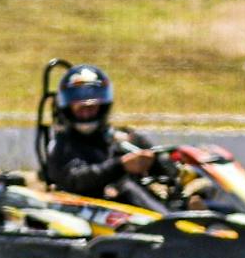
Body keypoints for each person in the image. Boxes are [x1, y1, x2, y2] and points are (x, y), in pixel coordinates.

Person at [39, 63, 168, 211]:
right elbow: (74, 180)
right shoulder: (61, 145)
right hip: (85, 212)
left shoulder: (124, 138)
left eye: (91, 108)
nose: (86, 114)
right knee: (126, 188)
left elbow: (157, 160)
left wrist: (165, 161)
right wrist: (120, 165)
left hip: (132, 213)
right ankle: (168, 225)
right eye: (81, 108)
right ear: (68, 109)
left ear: (102, 107)